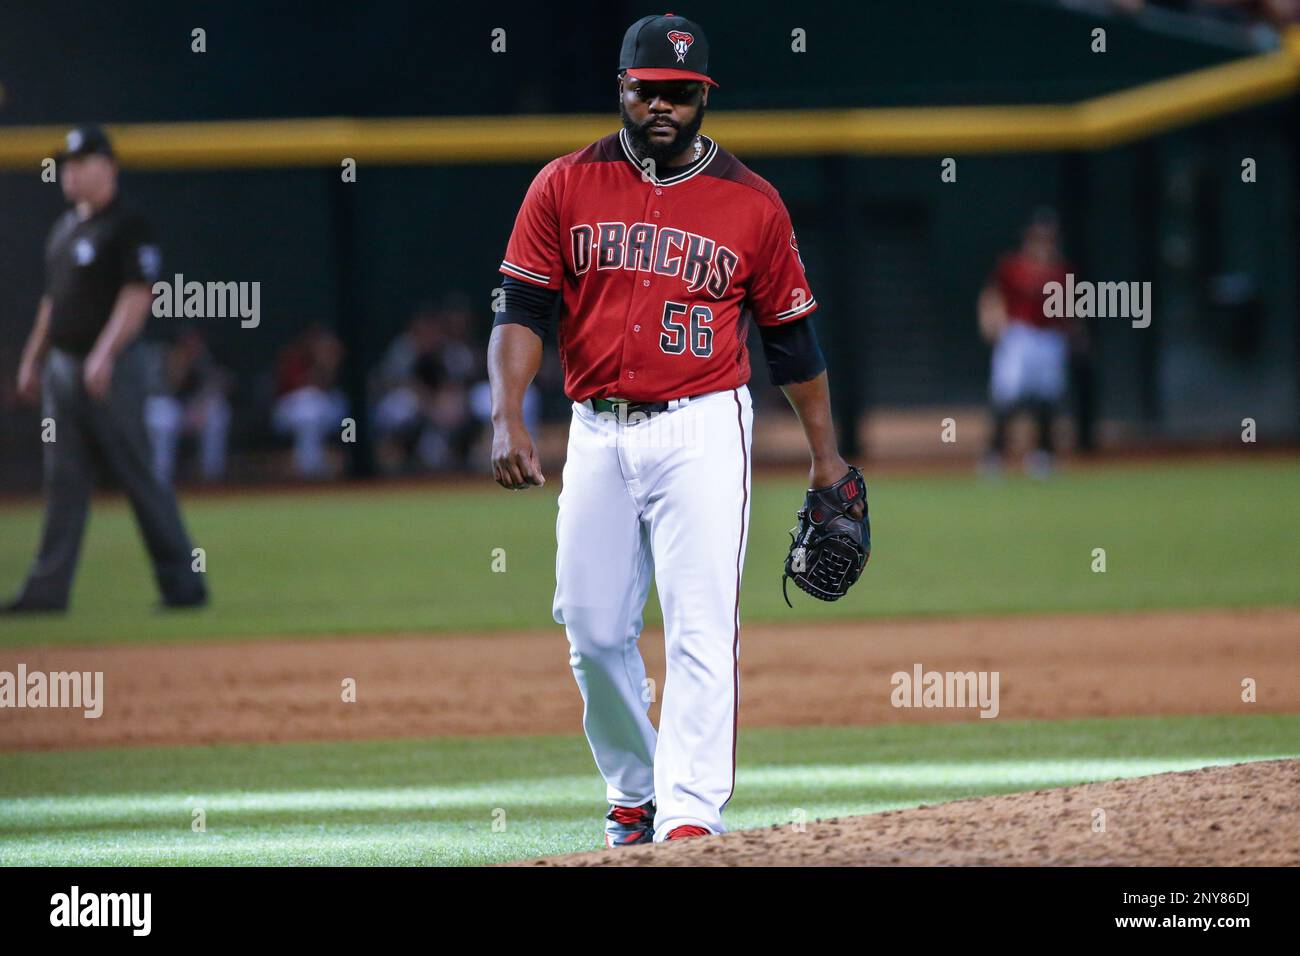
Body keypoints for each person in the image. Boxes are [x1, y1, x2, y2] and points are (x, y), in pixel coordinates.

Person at [488, 14, 865, 846]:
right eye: (649, 90)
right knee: (589, 629)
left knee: (700, 626)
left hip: (703, 426)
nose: (664, 105)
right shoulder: (562, 184)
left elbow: (792, 341)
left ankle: (690, 813)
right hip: (594, 430)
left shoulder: (752, 203)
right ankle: (635, 791)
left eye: (682, 93)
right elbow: (521, 307)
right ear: (621, 89)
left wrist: (826, 456)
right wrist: (508, 411)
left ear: (703, 96)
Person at [5, 125, 207, 613]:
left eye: (81, 163)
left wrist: (106, 352)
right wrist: (33, 359)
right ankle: (47, 591)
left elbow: (139, 294)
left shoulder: (126, 224)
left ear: (108, 166)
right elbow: (52, 304)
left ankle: (183, 584)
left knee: (136, 472)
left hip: (111, 371)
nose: (69, 173)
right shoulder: (64, 229)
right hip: (62, 368)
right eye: (66, 165)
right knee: (63, 479)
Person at [978, 209, 1079, 478]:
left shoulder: (1061, 270)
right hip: (1018, 335)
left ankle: (1042, 455)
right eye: (1039, 237)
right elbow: (992, 294)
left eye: (1049, 238)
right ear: (1029, 238)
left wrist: (1077, 333)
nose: (1044, 243)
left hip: (1049, 337)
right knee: (1007, 395)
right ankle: (994, 454)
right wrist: (990, 319)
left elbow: (1070, 309)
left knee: (1047, 396)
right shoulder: (1013, 266)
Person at [144, 327, 232, 483]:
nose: (193, 344)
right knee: (164, 417)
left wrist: (201, 407)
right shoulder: (164, 356)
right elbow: (163, 390)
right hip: (165, 408)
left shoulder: (203, 359)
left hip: (190, 411)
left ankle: (210, 474)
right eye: (188, 340)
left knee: (218, 414)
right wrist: (180, 364)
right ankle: (160, 478)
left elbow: (216, 385)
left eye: (195, 340)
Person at [271, 323, 346, 479]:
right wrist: (320, 366)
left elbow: (332, 391)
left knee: (346, 415)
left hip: (326, 409)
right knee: (309, 408)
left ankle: (349, 464)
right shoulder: (294, 357)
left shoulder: (335, 359)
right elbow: (302, 387)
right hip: (291, 409)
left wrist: (330, 364)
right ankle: (308, 471)